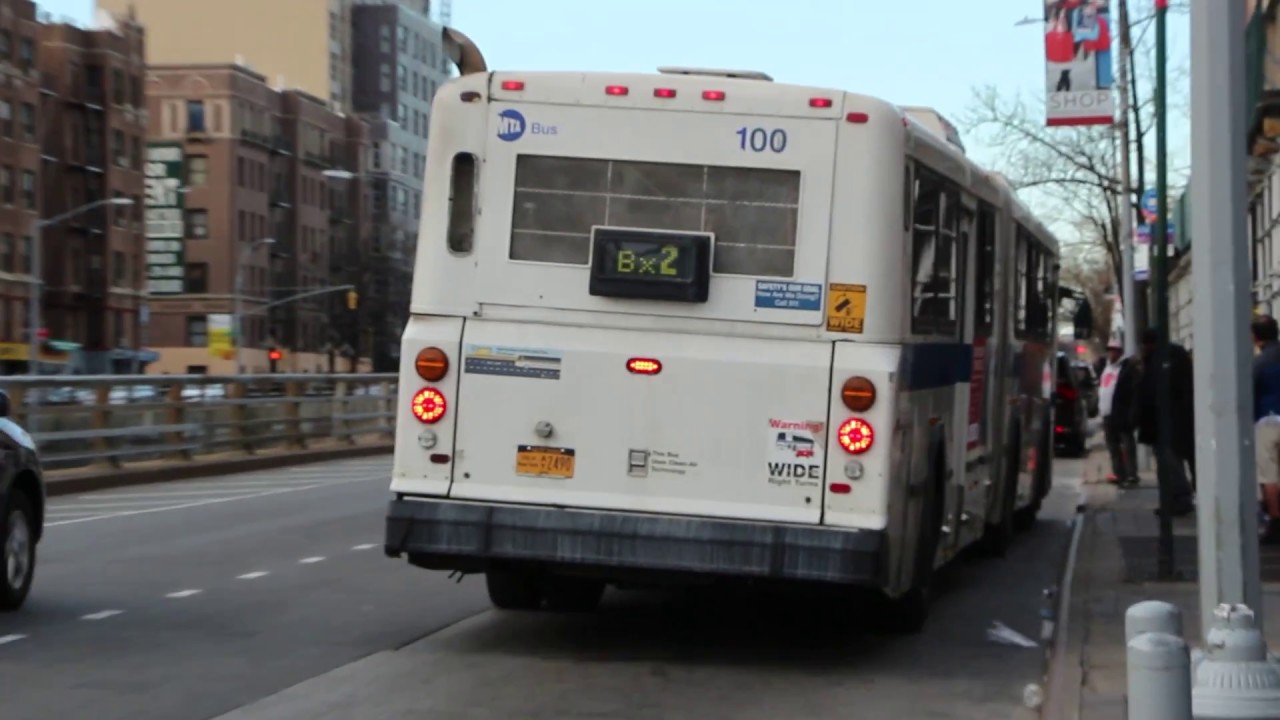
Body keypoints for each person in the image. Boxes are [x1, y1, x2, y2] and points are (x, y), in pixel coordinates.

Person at [1134, 327, 1195, 516]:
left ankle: (1180, 499)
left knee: (1170, 463)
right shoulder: (1166, 357)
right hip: (1165, 422)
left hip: (1170, 422)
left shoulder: (1166, 359)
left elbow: (1160, 391)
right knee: (1167, 463)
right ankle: (1172, 500)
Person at [1251, 315, 1280, 540]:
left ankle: (1275, 522)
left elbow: (1251, 394)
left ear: (1255, 337)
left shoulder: (1259, 363)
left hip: (1267, 422)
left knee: (1269, 475)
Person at [1099, 340, 1139, 486]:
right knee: (1113, 446)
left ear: (1120, 352)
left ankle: (1131, 475)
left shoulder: (1126, 368)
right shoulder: (1107, 368)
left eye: (1114, 350)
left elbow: (1131, 390)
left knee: (1127, 444)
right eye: (1109, 350)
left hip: (1121, 413)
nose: (1111, 353)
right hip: (1107, 412)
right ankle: (1119, 473)